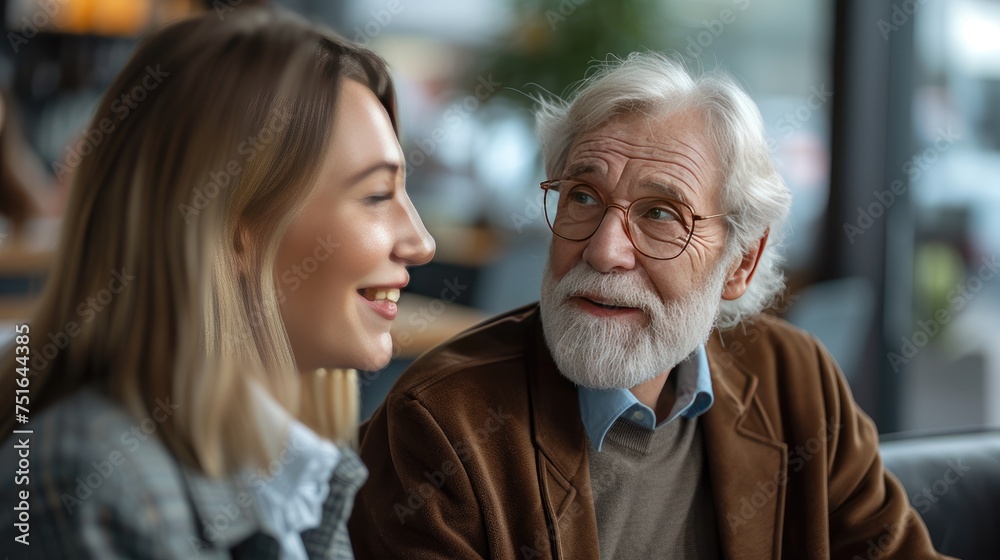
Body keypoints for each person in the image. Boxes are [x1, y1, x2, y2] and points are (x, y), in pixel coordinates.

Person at [349, 53, 952, 559]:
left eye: (662, 214)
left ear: (740, 263)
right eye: (583, 196)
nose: (606, 250)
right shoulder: (442, 425)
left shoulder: (797, 380)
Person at [0, 7, 434, 559]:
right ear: (231, 226)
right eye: (376, 195)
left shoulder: (295, 473)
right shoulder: (92, 478)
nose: (421, 242)